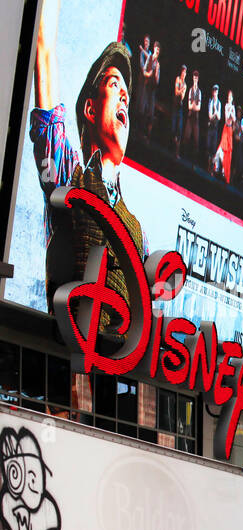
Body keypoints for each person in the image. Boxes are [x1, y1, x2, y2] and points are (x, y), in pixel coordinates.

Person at [29, 22, 145, 320]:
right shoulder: (68, 177)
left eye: (126, 98)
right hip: (69, 350)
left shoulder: (136, 229)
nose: (125, 98)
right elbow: (43, 48)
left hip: (117, 362)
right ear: (91, 110)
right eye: (114, 84)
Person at [216, 90, 235, 183]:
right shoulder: (226, 105)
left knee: (228, 152)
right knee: (222, 149)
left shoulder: (233, 107)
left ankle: (224, 172)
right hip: (225, 128)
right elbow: (227, 117)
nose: (229, 98)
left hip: (230, 130)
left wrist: (232, 112)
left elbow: (234, 119)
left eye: (231, 97)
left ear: (232, 98)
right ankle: (216, 167)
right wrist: (230, 112)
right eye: (228, 96)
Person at [184, 69, 201, 160]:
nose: (195, 79)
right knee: (186, 137)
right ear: (193, 78)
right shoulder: (190, 90)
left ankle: (193, 161)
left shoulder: (199, 92)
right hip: (190, 116)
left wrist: (194, 104)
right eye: (194, 78)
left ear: (198, 79)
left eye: (196, 78)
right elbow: (189, 106)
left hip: (196, 118)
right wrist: (194, 105)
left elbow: (199, 107)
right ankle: (184, 157)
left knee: (196, 140)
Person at [205, 84, 222, 170]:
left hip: (215, 128)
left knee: (213, 148)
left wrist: (216, 111)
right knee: (208, 146)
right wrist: (215, 113)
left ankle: (211, 168)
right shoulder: (210, 102)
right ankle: (208, 165)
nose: (215, 92)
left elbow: (219, 117)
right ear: (212, 92)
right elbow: (210, 116)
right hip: (210, 126)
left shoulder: (219, 103)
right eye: (214, 90)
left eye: (217, 91)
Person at [171, 63, 186, 155]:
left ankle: (176, 152)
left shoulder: (185, 84)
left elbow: (182, 97)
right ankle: (172, 147)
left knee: (179, 129)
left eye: (185, 72)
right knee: (173, 127)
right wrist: (181, 90)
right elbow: (176, 92)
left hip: (180, 106)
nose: (184, 74)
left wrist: (182, 91)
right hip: (175, 104)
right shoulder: (178, 79)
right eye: (183, 71)